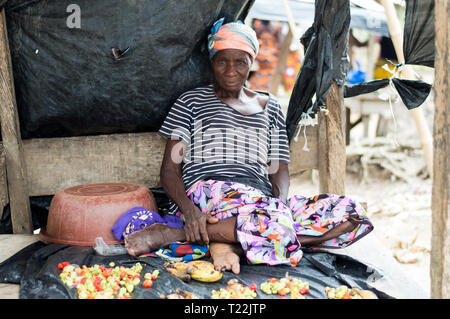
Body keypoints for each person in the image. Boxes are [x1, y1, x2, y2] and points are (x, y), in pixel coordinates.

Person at [124, 18, 373, 274]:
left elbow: (278, 167)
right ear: (212, 63)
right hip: (209, 192)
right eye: (222, 61)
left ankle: (180, 234)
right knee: (273, 220)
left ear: (251, 63)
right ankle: (259, 234)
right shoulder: (191, 102)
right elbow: (169, 171)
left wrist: (281, 203)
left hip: (262, 201)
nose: (230, 70)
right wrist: (190, 212)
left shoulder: (271, 107)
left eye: (240, 62)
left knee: (352, 214)